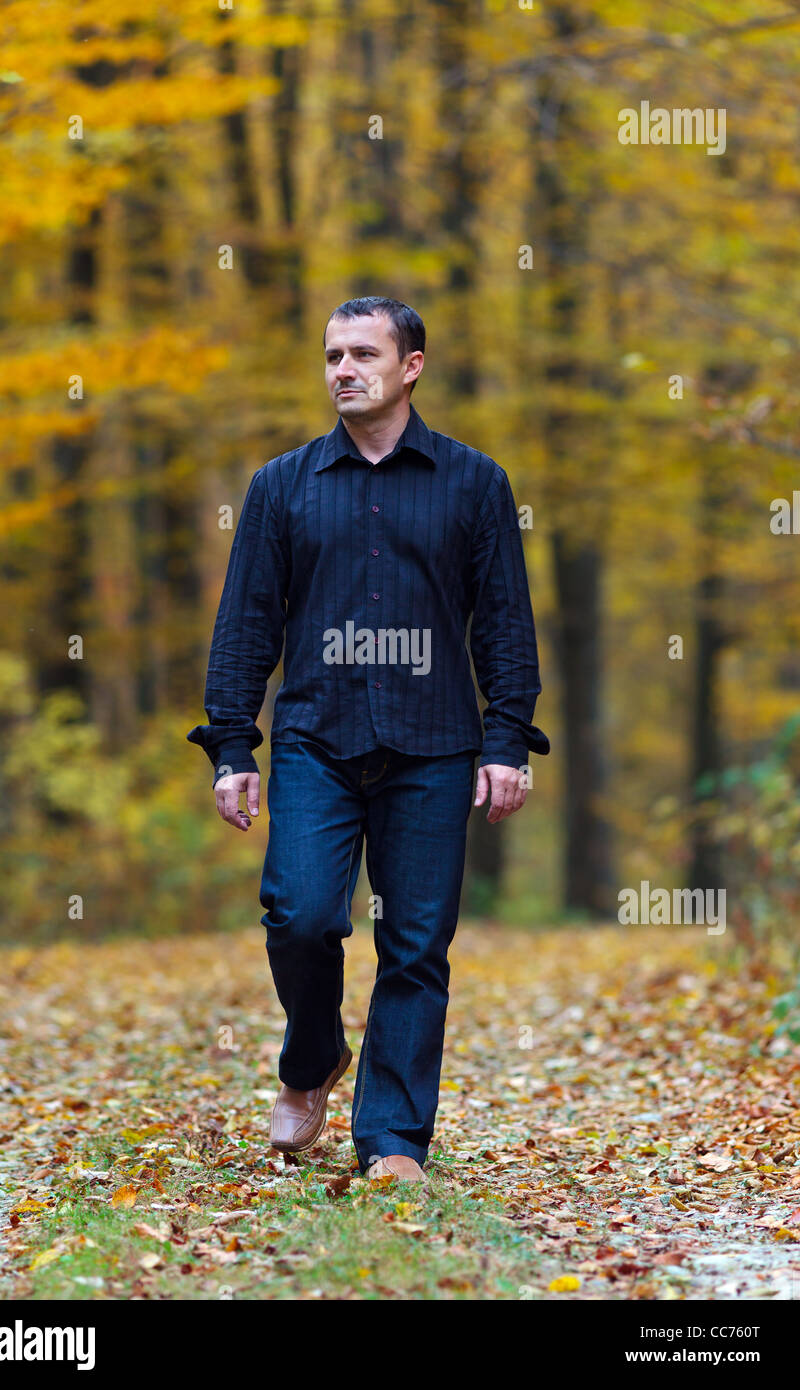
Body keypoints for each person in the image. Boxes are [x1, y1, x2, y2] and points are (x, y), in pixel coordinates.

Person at [187, 296, 549, 1185]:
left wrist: (506, 740)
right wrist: (234, 746)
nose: (343, 370)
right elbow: (244, 627)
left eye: (362, 354)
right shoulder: (281, 487)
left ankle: (392, 1142)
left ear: (412, 366)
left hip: (433, 747)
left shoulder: (475, 483)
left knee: (417, 946)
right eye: (331, 356)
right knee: (303, 915)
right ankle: (312, 1061)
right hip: (317, 737)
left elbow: (504, 623)